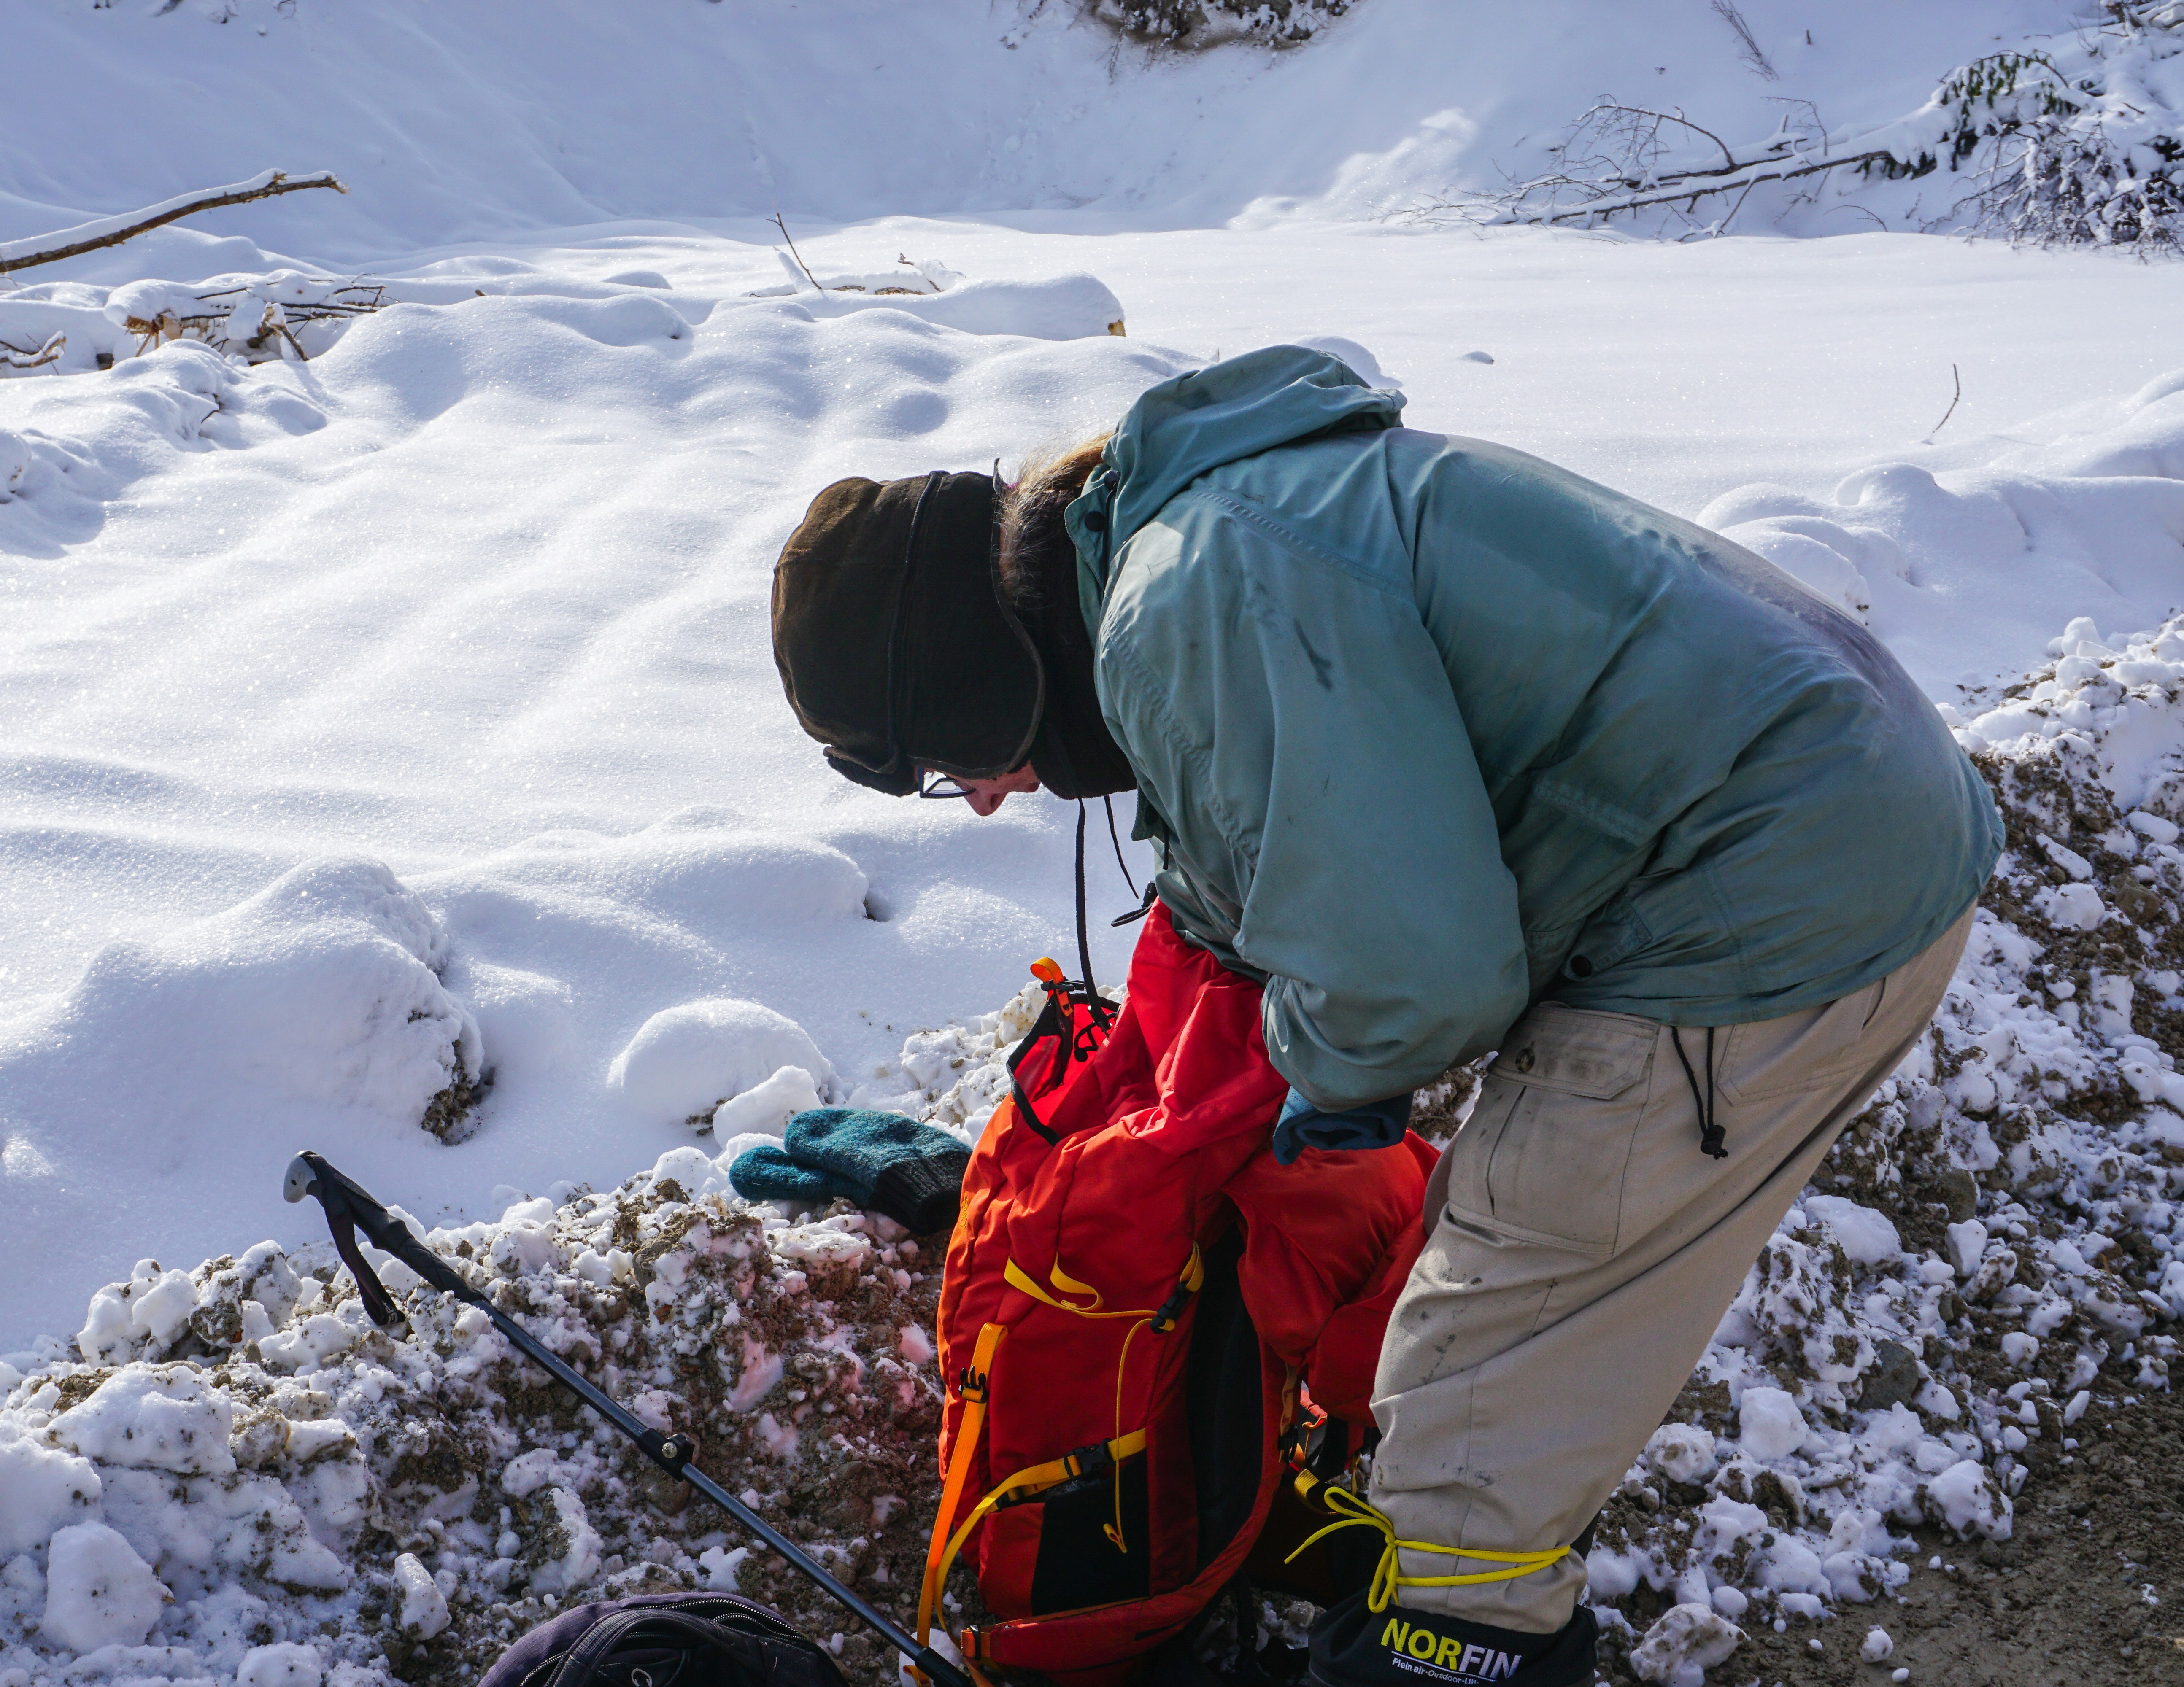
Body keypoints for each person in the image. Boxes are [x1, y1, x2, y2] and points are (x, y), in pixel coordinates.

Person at [765, 346, 2000, 1687]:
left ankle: (1452, 1647)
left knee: (1469, 1455)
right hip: (1829, 798)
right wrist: (1028, 1177)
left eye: (953, 767)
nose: (991, 800)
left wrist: (1327, 1081)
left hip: (1768, 890)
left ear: (976, 684)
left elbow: (1419, 981)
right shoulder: (1200, 525)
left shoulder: (1191, 607)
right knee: (1481, 1344)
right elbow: (1255, 880)